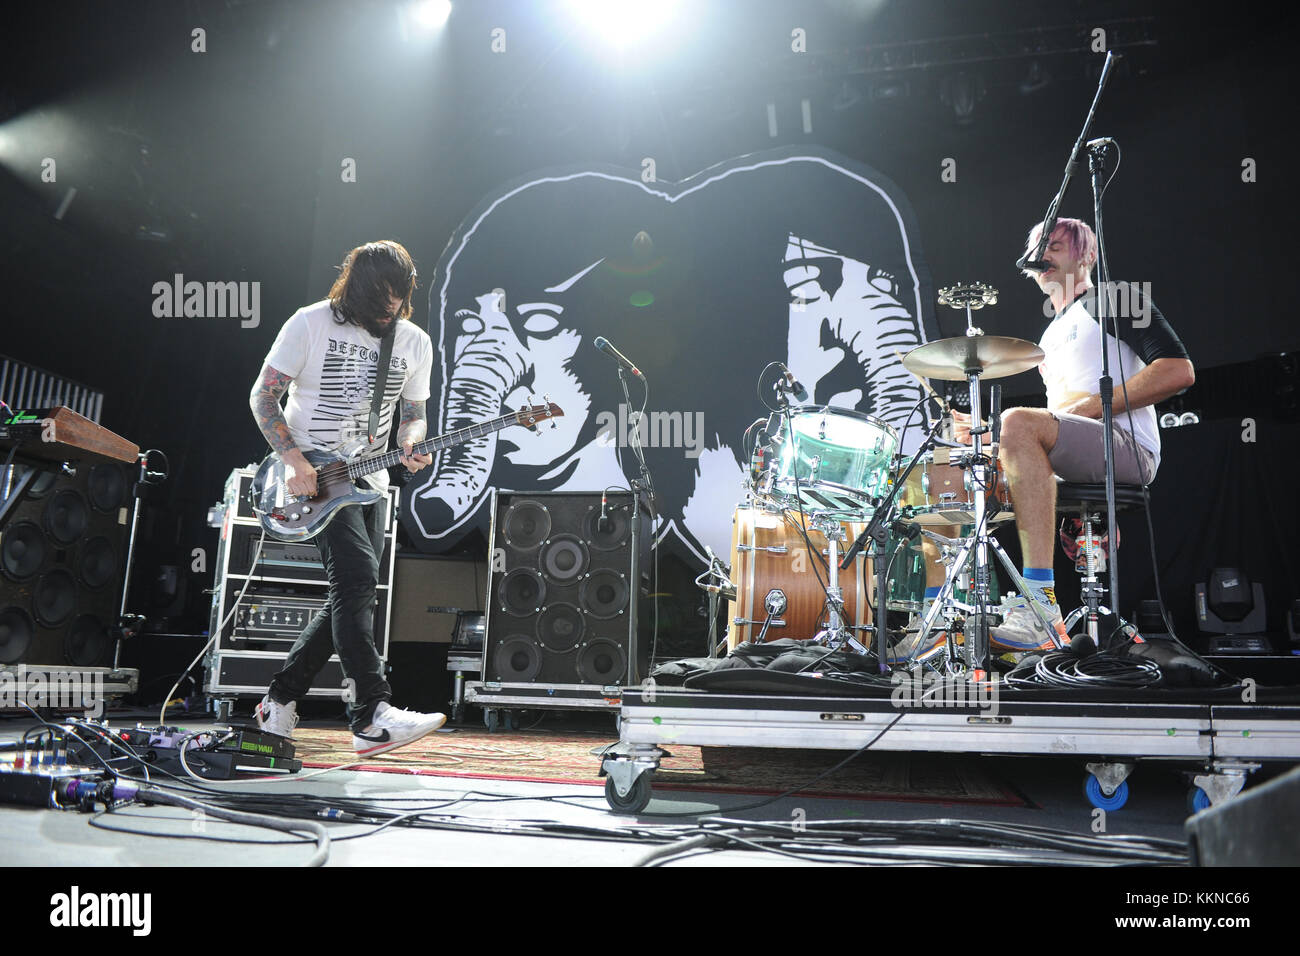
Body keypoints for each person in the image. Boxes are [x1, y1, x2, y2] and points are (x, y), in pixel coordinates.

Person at [955, 218, 1194, 655]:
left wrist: (1091, 407)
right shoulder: (1048, 335)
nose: (1043, 254)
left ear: (1088, 254)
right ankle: (942, 619)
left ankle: (1039, 606)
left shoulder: (1111, 298)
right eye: (1038, 248)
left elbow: (1178, 371)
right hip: (1080, 454)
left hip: (1128, 448)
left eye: (1057, 246)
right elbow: (1053, 428)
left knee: (1017, 421)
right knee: (953, 463)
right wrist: (987, 440)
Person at [249, 240, 446, 756]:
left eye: (398, 298)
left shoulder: (414, 342)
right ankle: (372, 714)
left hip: (370, 479)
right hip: (314, 473)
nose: (389, 308)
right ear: (354, 287)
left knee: (351, 592)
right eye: (380, 297)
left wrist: (409, 442)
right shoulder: (310, 323)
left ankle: (280, 701)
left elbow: (415, 413)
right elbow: (263, 395)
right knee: (358, 579)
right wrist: (294, 461)